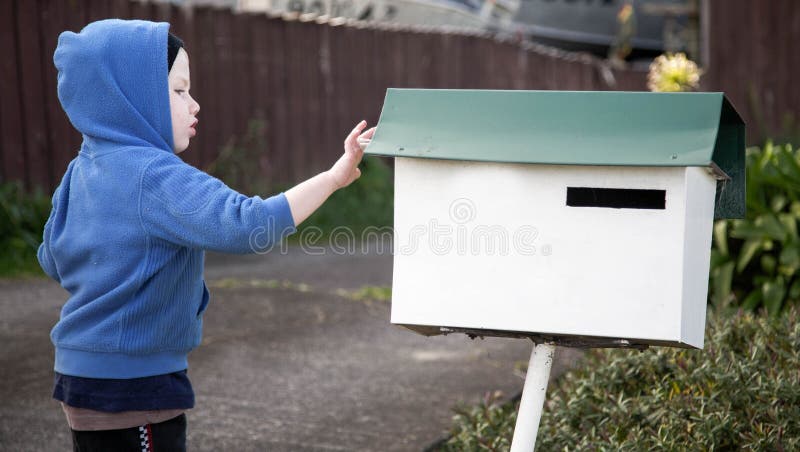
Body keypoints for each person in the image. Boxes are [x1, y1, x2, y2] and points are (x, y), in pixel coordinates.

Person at [37, 18, 374, 451]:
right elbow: (250, 225)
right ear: (133, 98)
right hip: (134, 383)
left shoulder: (80, 170)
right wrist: (332, 178)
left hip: (79, 375)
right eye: (179, 91)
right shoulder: (155, 175)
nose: (194, 104)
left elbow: (52, 256)